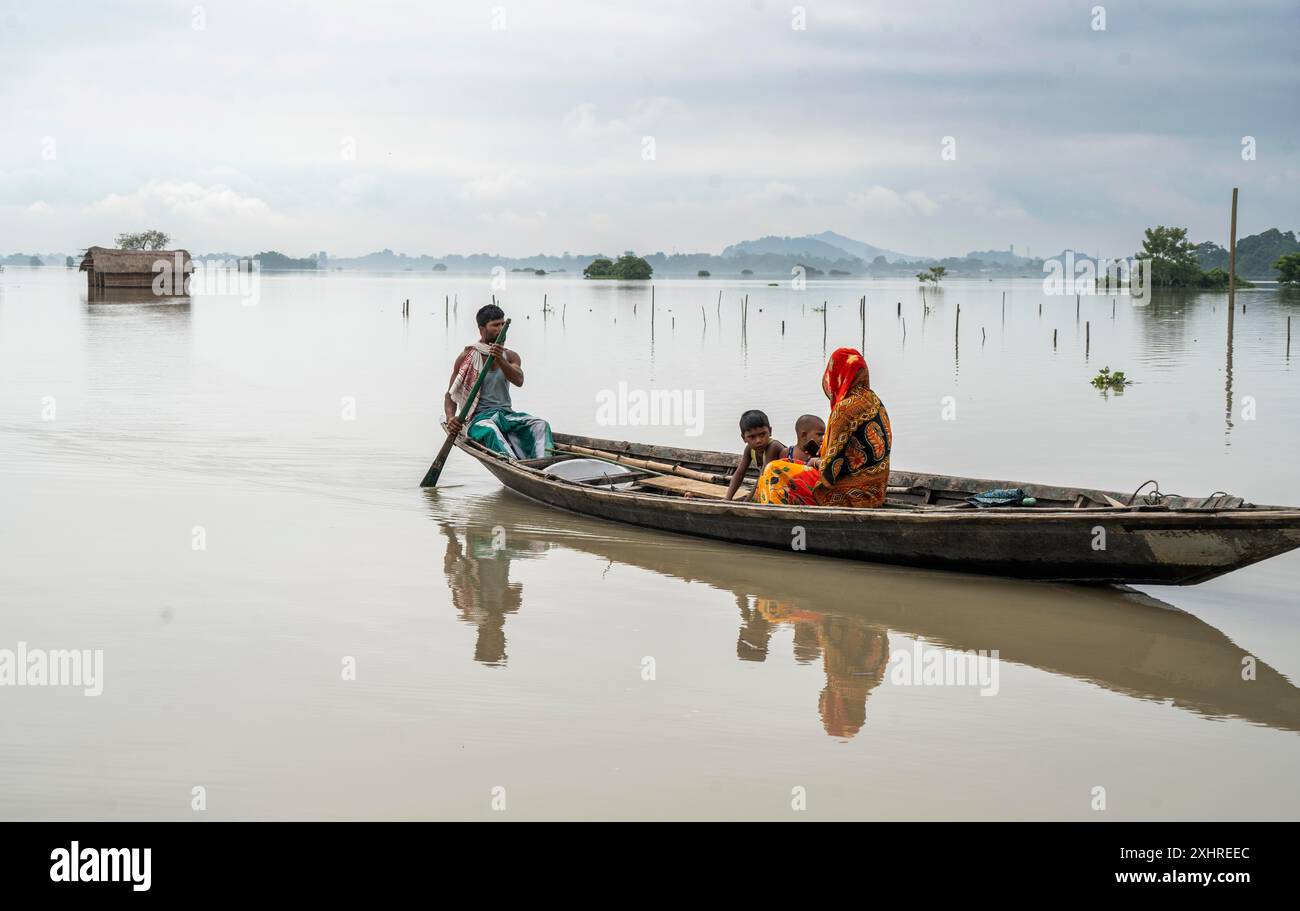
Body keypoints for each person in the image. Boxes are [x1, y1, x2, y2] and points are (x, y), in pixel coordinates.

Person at [445, 305, 553, 460]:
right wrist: (450, 418)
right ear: (482, 329)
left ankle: (544, 464)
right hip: (479, 419)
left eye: (503, 324)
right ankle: (513, 464)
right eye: (496, 325)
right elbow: (450, 395)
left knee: (540, 424)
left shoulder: (509, 356)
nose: (501, 329)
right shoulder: (467, 357)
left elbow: (519, 380)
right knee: (490, 431)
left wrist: (500, 360)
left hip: (505, 415)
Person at [812, 347, 891, 507]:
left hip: (851, 495)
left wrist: (814, 462)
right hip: (877, 492)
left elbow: (829, 474)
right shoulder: (874, 400)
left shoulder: (844, 411)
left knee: (776, 472)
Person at [752, 414, 825, 506]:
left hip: (809, 495)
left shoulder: (820, 454)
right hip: (792, 497)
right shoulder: (786, 452)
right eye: (819, 435)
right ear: (804, 435)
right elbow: (780, 480)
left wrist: (816, 460)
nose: (822, 439)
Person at [724, 409, 786, 501]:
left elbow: (762, 477)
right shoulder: (749, 449)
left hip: (786, 488)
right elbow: (739, 473)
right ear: (743, 438)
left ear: (770, 431)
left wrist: (746, 503)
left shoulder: (773, 447)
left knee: (746, 500)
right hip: (772, 486)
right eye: (752, 437)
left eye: (762, 434)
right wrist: (727, 499)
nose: (758, 440)